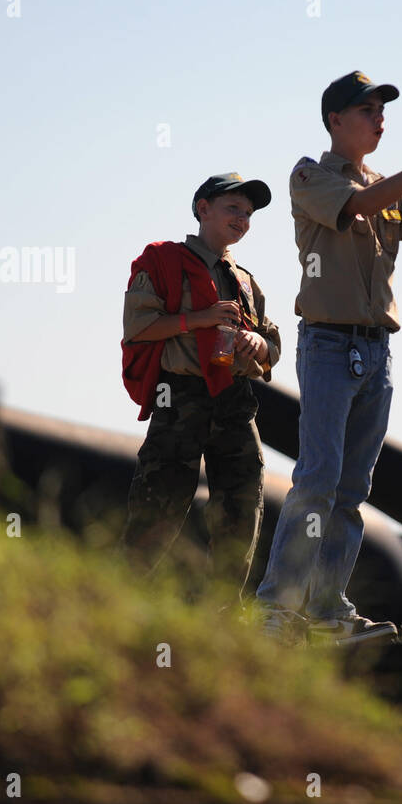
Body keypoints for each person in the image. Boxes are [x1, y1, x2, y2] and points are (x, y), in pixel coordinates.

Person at [255, 71, 402, 645]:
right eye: (366, 110)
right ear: (335, 121)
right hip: (329, 345)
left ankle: (325, 614)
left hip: (375, 352)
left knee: (350, 491)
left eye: (381, 110)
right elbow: (359, 203)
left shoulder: (391, 191)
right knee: (316, 480)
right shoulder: (309, 176)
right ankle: (275, 612)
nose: (378, 119)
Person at [119, 173, 282, 600]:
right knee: (159, 504)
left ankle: (223, 617)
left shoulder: (245, 281)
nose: (242, 219)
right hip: (180, 397)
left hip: (234, 400)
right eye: (233, 209)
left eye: (248, 214)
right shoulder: (162, 261)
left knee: (242, 504)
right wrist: (202, 318)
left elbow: (273, 346)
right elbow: (138, 328)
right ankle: (118, 605)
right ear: (203, 208)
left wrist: (258, 343)